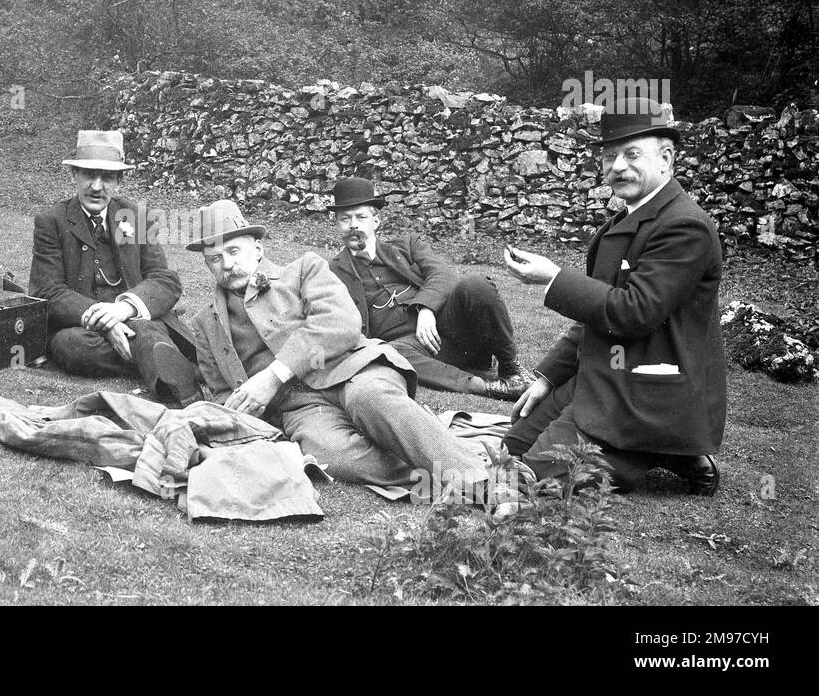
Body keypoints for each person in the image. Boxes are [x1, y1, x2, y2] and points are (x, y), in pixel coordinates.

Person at [185, 199, 494, 490]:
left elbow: (342, 323)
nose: (227, 263)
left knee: (371, 401)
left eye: (234, 251)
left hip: (354, 371)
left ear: (257, 249)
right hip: (302, 410)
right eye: (215, 258)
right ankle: (432, 449)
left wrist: (273, 375)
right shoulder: (205, 323)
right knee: (334, 456)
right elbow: (224, 393)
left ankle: (481, 484)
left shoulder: (305, 269)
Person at [502, 97, 725, 495]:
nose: (618, 166)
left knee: (534, 473)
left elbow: (633, 313)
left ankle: (653, 453)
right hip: (607, 377)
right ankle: (663, 452)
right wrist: (546, 378)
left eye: (632, 153)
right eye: (609, 156)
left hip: (649, 393)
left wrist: (553, 278)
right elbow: (597, 317)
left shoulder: (685, 227)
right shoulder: (621, 224)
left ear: (666, 158)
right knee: (511, 447)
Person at [28, 130, 199, 407]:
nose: (97, 187)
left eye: (107, 177)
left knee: (143, 329)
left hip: (134, 316)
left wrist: (123, 310)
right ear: (74, 176)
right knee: (70, 347)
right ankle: (161, 361)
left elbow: (164, 280)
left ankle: (177, 388)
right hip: (83, 327)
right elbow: (47, 290)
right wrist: (106, 322)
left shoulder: (134, 216)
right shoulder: (52, 222)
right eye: (89, 175)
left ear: (119, 181)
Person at [328, 177, 529, 401]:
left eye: (361, 217)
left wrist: (426, 309)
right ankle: (488, 387)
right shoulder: (333, 273)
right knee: (389, 352)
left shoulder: (407, 245)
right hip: (409, 349)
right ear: (338, 225)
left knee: (476, 284)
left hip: (450, 328)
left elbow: (443, 274)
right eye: (345, 219)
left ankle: (512, 369)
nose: (353, 224)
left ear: (376, 221)